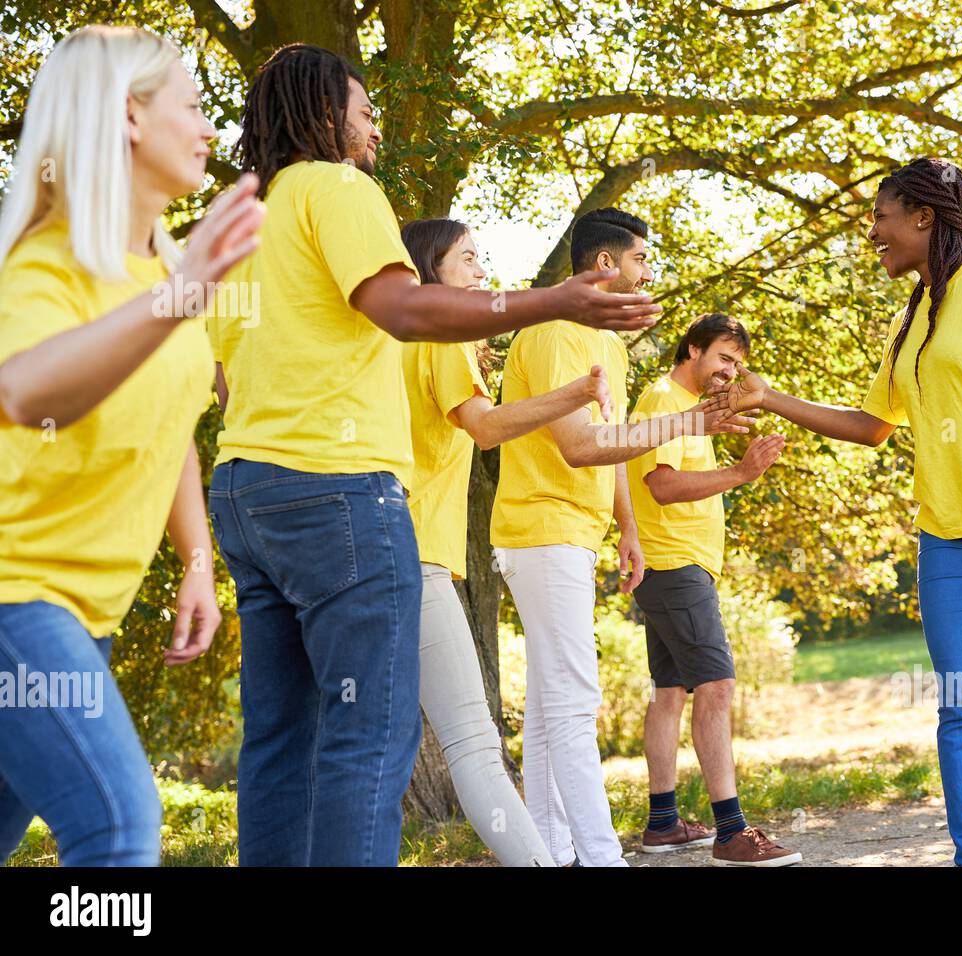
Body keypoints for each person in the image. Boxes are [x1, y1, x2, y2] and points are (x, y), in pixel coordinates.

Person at [206, 44, 661, 868]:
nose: (374, 122)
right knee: (368, 735)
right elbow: (404, 308)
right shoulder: (337, 187)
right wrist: (553, 298)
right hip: (337, 492)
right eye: (363, 106)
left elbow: (224, 380)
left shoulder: (243, 222)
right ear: (321, 112)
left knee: (279, 744)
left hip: (246, 492)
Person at [717, 157, 962, 867]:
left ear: (923, 216)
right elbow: (873, 424)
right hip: (951, 542)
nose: (871, 230)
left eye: (881, 216)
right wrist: (770, 399)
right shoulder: (913, 318)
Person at [0, 25, 264, 866]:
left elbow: (173, 418)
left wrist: (196, 560)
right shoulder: (46, 269)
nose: (209, 128)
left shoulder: (156, 277)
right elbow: (23, 389)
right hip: (15, 599)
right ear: (127, 116)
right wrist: (186, 290)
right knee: (117, 827)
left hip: (82, 617)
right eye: (192, 105)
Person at [490, 208, 752, 867]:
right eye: (640, 260)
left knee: (555, 707)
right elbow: (580, 447)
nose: (648, 273)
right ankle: (601, 856)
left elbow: (612, 450)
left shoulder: (608, 344)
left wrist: (627, 529)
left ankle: (550, 854)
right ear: (605, 265)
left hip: (577, 532)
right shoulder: (554, 330)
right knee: (575, 701)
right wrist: (690, 421)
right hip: (540, 527)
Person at [400, 218, 624, 867]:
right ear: (431, 271)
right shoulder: (441, 336)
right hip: (413, 554)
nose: (481, 273)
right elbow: (489, 429)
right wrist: (576, 392)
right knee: (473, 744)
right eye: (467, 260)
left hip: (372, 546)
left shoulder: (390, 337)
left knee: (357, 742)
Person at [628, 313, 799, 866]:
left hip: (672, 568)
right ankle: (731, 831)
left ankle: (663, 823)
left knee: (670, 693)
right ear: (694, 349)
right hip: (675, 567)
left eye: (737, 363)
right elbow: (664, 486)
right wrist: (742, 474)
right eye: (724, 358)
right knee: (718, 688)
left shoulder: (685, 412)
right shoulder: (663, 402)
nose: (731, 371)